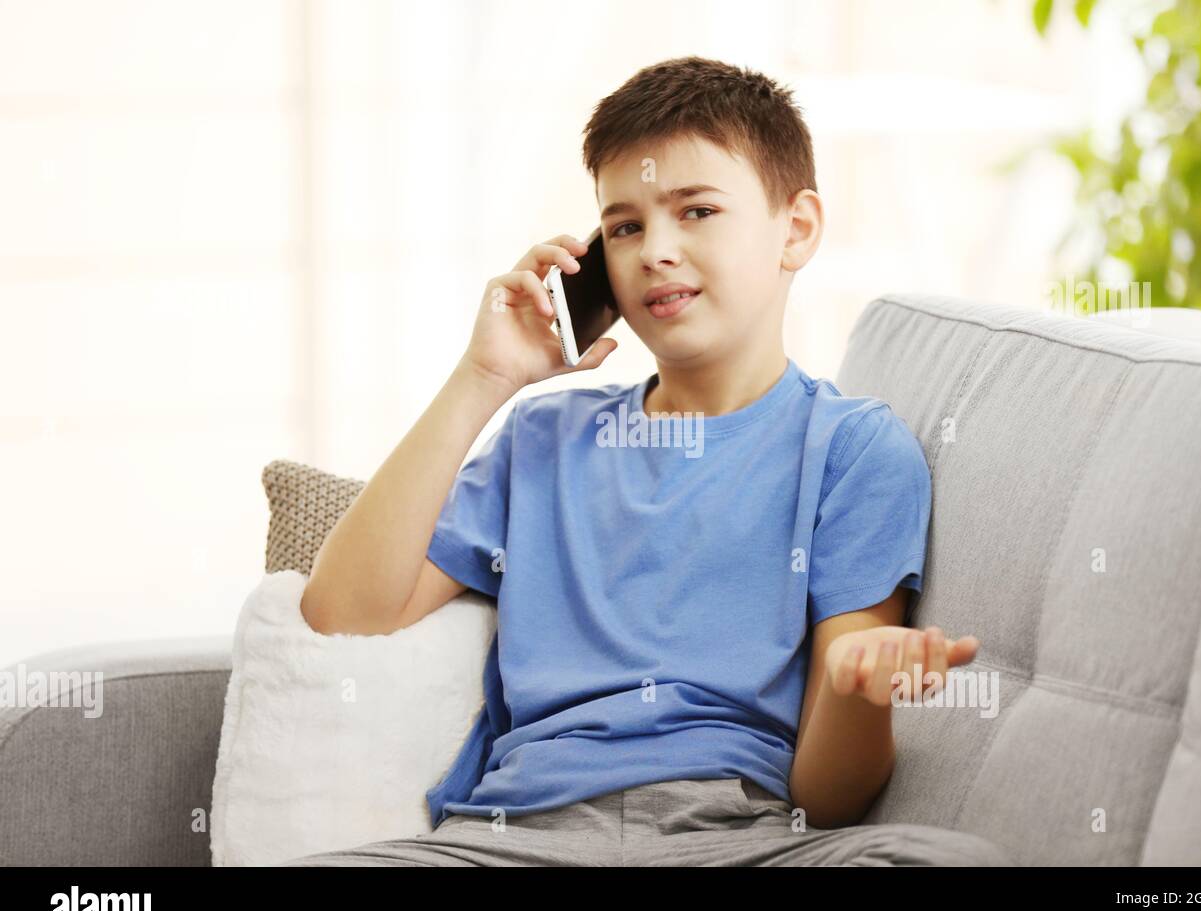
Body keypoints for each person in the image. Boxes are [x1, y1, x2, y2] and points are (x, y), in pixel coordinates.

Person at [286, 56, 1007, 867]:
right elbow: (339, 611)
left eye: (696, 210)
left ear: (796, 228)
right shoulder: (544, 439)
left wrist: (852, 685)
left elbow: (827, 798)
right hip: (514, 836)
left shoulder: (853, 450)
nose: (654, 251)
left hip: (737, 839)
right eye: (624, 226)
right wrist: (483, 379)